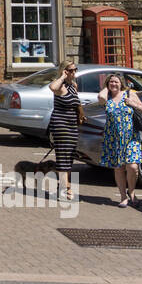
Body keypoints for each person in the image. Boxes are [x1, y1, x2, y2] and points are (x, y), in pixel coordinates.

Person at [98, 72, 142, 207]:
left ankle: (131, 192)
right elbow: (100, 97)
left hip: (131, 137)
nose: (114, 84)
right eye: (111, 82)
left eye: (116, 82)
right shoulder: (106, 97)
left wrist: (132, 103)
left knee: (132, 166)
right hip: (113, 138)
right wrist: (106, 87)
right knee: (119, 168)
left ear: (121, 84)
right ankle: (123, 196)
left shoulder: (129, 94)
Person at [46, 60, 83, 201]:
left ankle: (63, 186)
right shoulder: (59, 86)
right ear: (65, 71)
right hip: (60, 126)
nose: (74, 73)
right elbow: (51, 87)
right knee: (62, 159)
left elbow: (75, 104)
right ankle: (64, 189)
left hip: (72, 126)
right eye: (71, 70)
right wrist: (61, 77)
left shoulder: (73, 86)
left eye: (75, 69)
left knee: (69, 158)